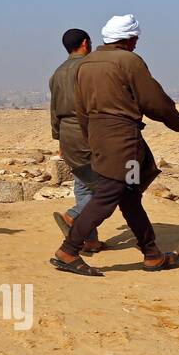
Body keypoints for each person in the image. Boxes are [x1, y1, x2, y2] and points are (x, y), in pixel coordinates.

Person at [51, 14, 179, 276]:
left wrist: (91, 134)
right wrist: (177, 121)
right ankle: (68, 251)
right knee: (108, 194)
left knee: (129, 195)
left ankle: (152, 254)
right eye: (134, 39)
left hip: (97, 135)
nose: (136, 44)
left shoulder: (85, 64)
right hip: (122, 137)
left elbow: (79, 108)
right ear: (129, 39)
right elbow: (152, 99)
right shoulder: (128, 61)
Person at [48, 28, 103, 253]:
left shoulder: (56, 73)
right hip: (88, 133)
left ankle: (89, 240)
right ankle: (73, 216)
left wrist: (59, 140)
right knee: (107, 189)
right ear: (85, 43)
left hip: (68, 137)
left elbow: (54, 111)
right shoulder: (90, 69)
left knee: (83, 185)